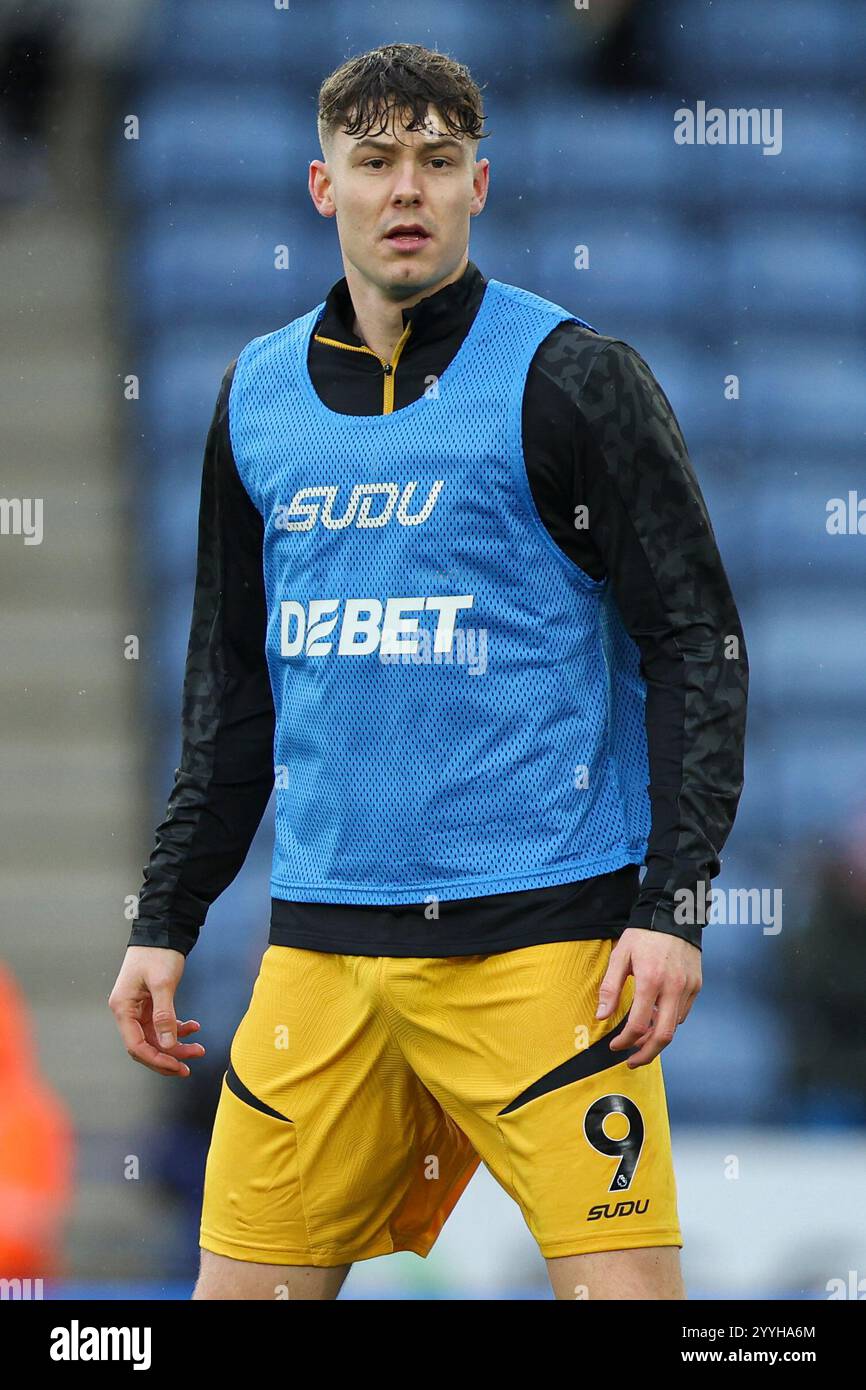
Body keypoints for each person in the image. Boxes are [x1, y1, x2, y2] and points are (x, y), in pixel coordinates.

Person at [109, 43, 748, 1301]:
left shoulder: (574, 378)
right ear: (321, 185)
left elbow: (695, 642)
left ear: (478, 186)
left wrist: (670, 905)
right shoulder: (254, 398)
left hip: (546, 946)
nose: (406, 189)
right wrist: (165, 918)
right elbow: (233, 688)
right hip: (323, 956)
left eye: (436, 162)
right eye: (376, 161)